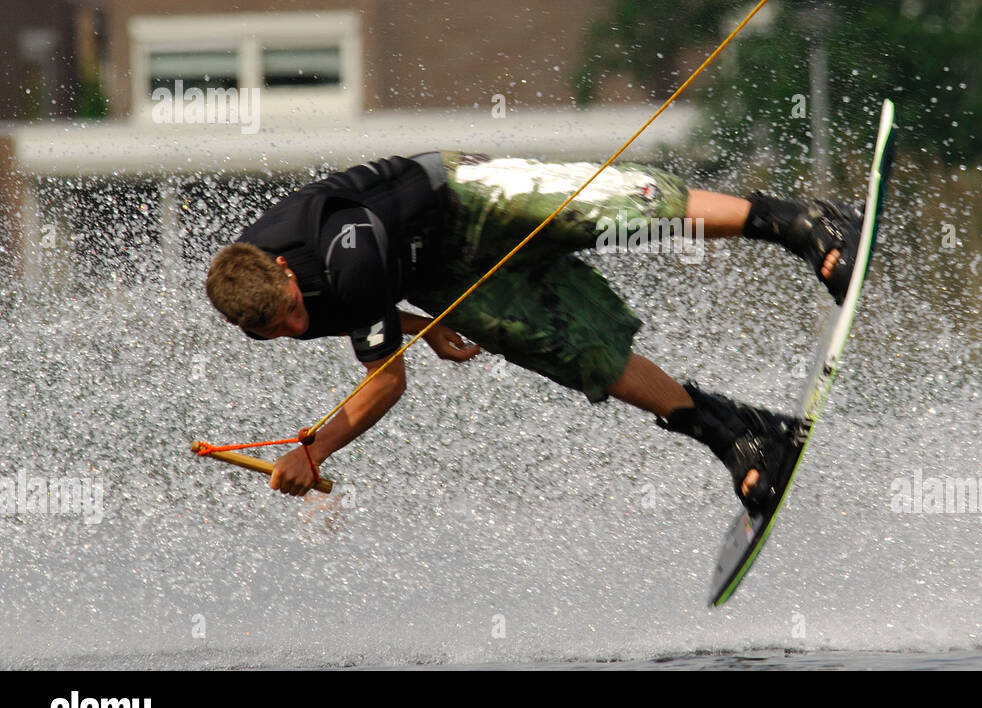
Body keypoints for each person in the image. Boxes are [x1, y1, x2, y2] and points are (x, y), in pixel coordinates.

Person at [205, 152, 863, 515]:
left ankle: (804, 223)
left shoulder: (347, 258)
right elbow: (344, 317)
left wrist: (314, 452)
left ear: (287, 268)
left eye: (294, 309)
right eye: (278, 327)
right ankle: (741, 436)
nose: (295, 326)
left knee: (611, 209)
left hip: (465, 195)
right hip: (438, 275)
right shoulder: (260, 303)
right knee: (575, 352)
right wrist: (422, 323)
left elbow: (386, 382)